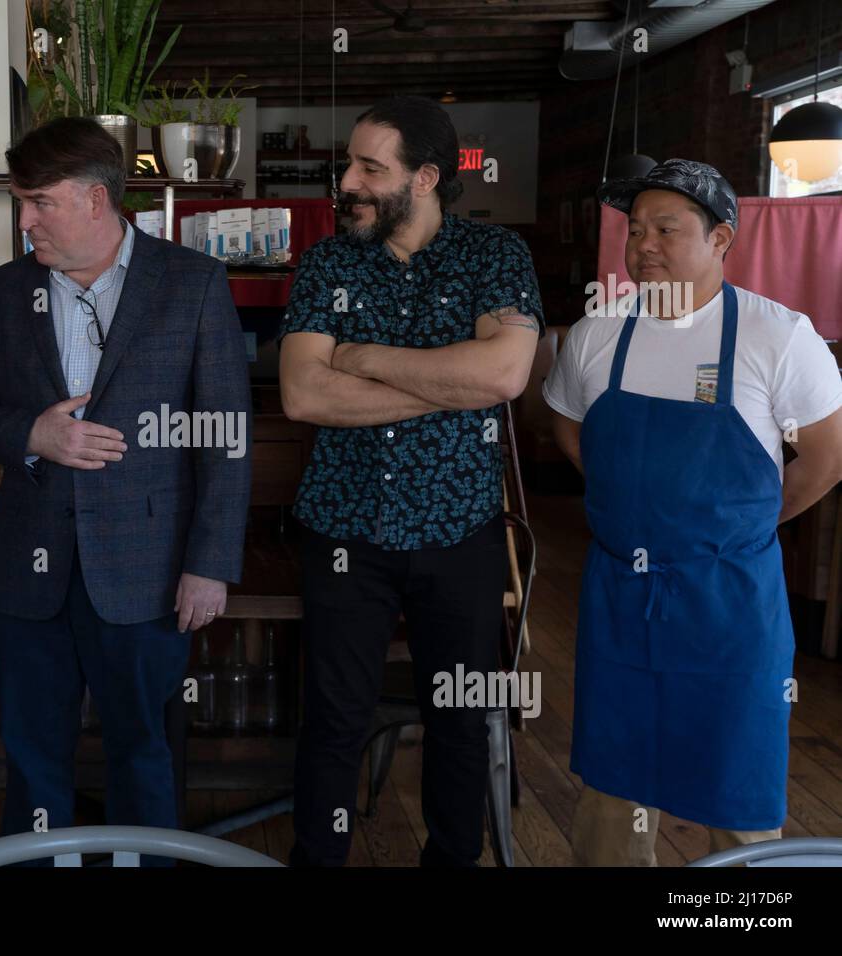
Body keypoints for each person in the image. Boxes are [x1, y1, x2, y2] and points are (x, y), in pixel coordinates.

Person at [0, 118, 251, 857]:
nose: (25, 220)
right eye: (22, 202)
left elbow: (225, 436)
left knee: (142, 751)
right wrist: (32, 436)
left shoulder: (192, 284)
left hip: (149, 566)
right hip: (27, 567)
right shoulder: (3, 291)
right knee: (32, 752)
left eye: (39, 202)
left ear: (95, 201)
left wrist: (210, 563)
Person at [542, 158, 842, 865]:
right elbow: (568, 425)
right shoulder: (597, 334)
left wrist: (737, 529)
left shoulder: (778, 337)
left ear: (721, 240)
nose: (642, 245)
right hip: (620, 594)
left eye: (665, 229)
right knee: (612, 787)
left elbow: (825, 461)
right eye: (634, 229)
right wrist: (636, 512)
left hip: (731, 600)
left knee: (738, 783)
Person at [278, 95, 544, 866]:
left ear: (425, 177)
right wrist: (447, 383)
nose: (347, 183)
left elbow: (502, 374)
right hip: (343, 530)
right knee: (333, 717)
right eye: (348, 164)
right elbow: (303, 395)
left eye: (370, 168)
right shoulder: (329, 261)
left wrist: (359, 357)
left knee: (460, 718)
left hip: (459, 530)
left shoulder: (495, 257)